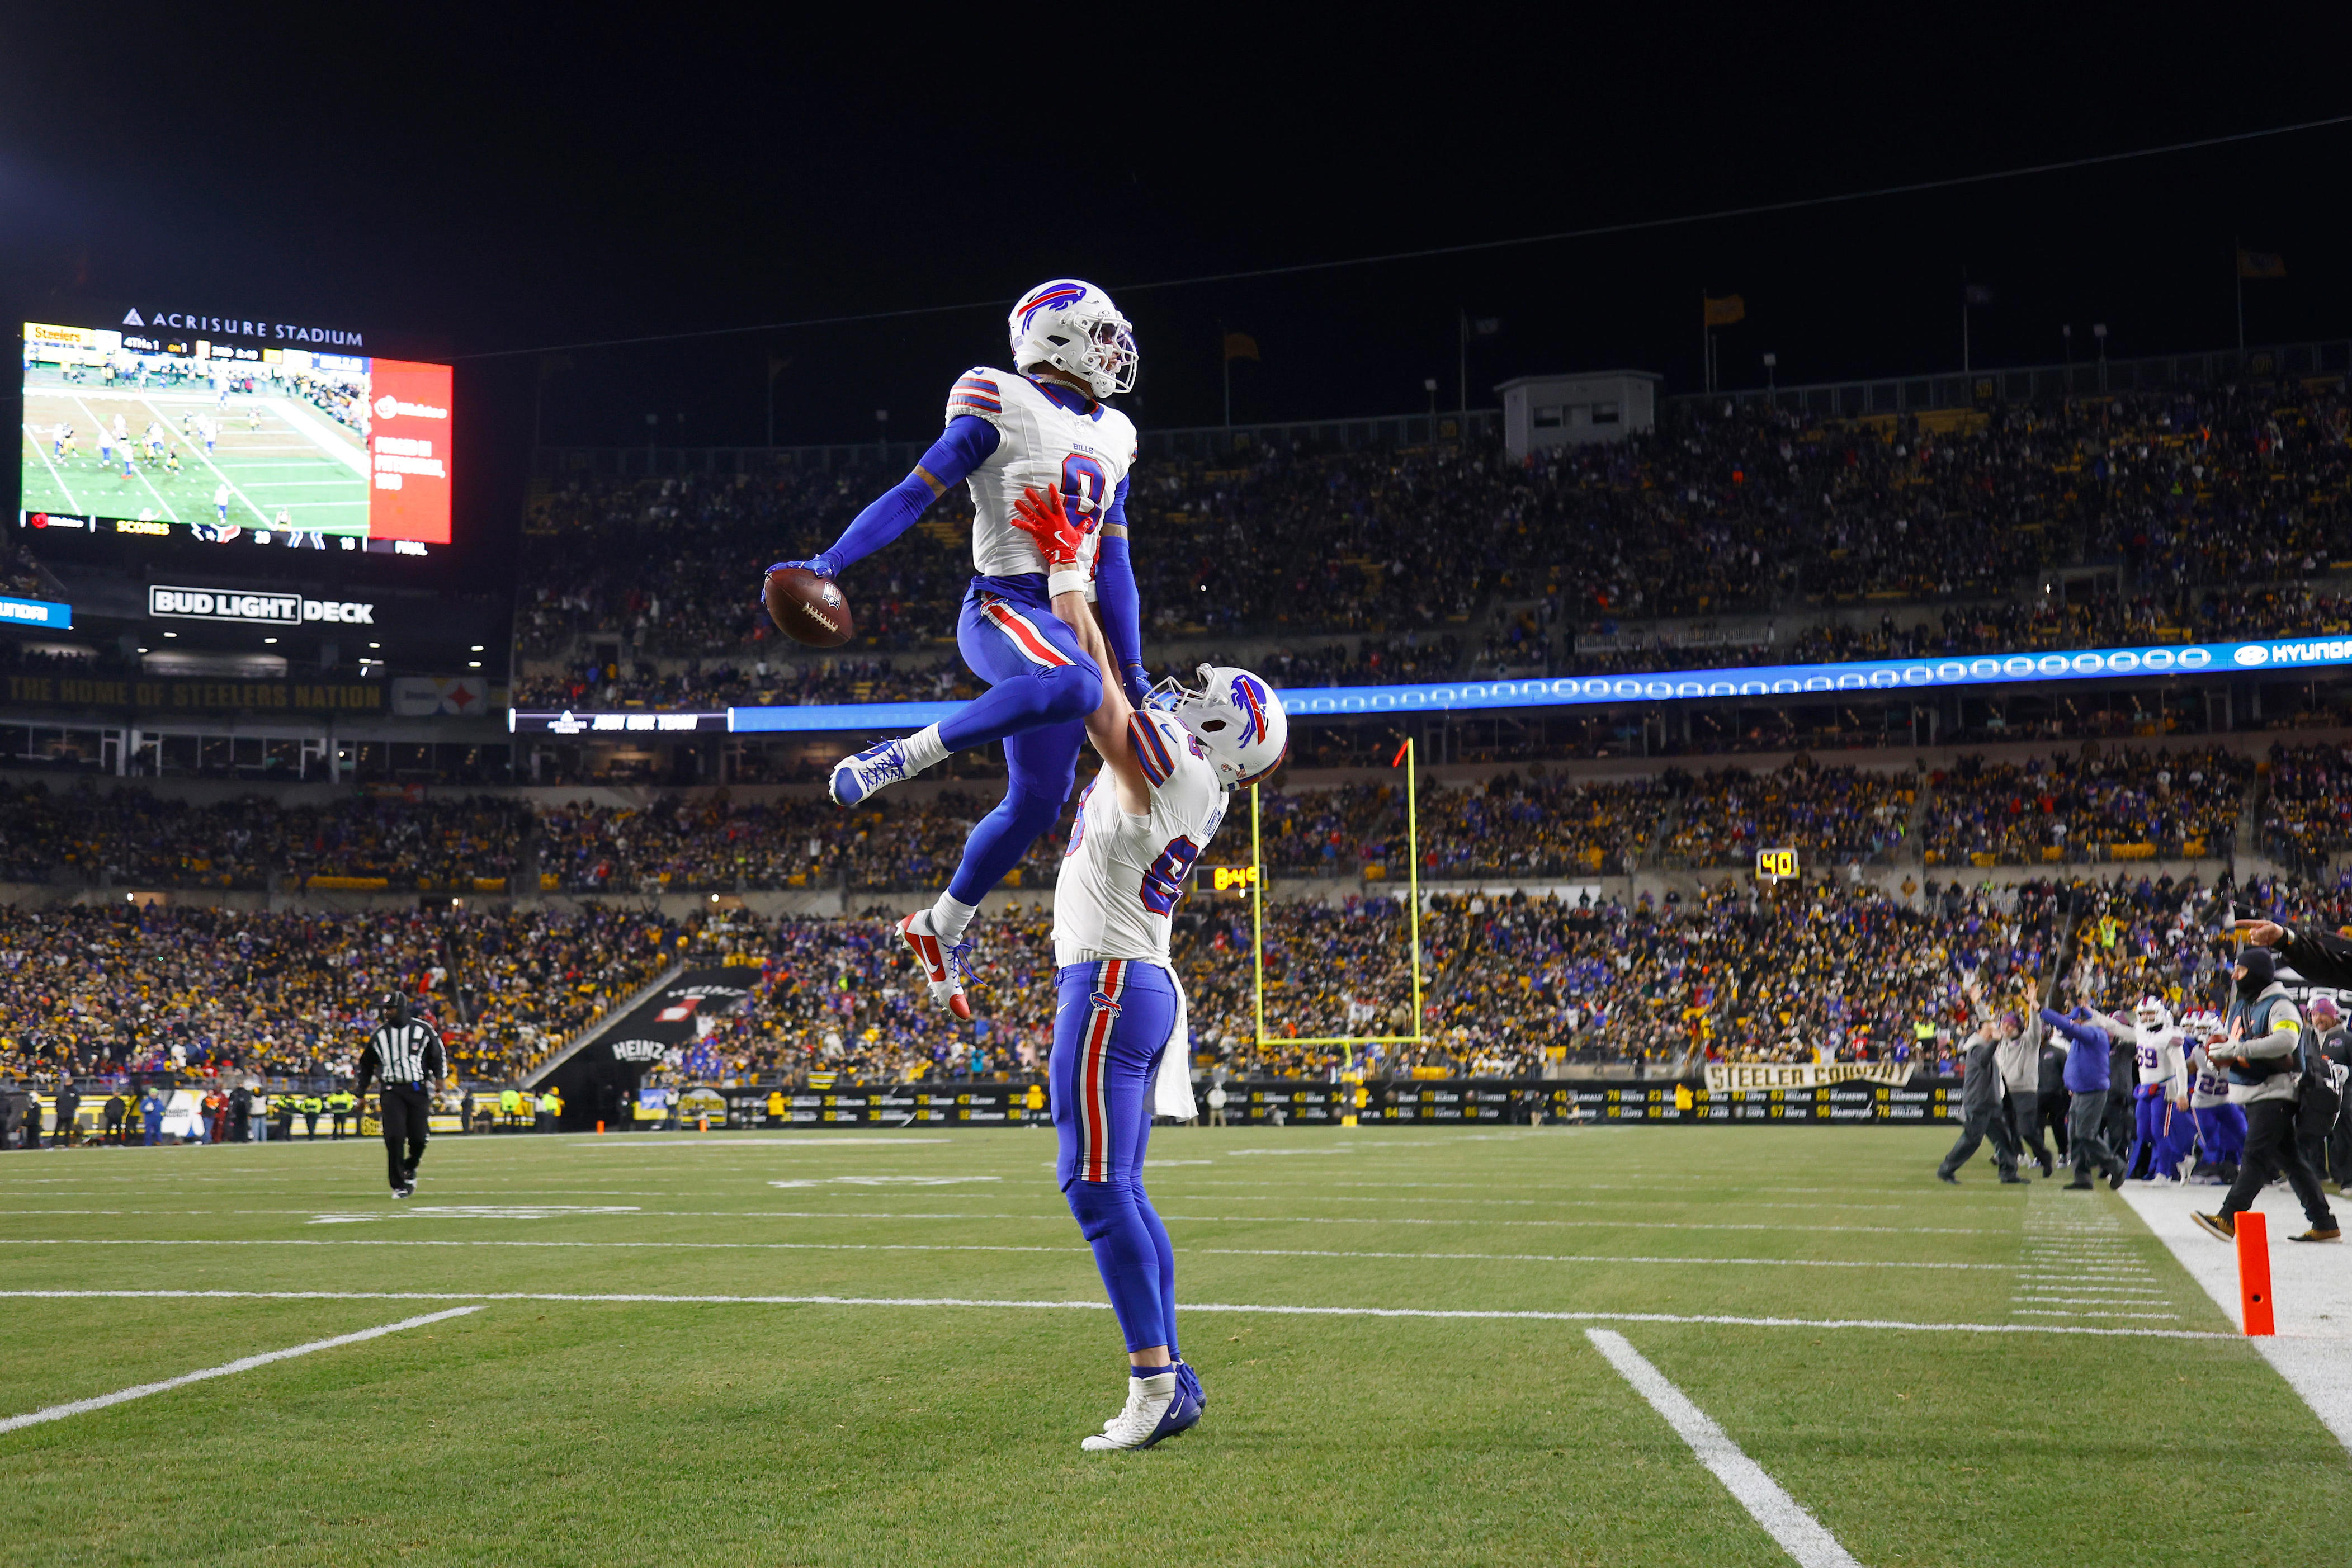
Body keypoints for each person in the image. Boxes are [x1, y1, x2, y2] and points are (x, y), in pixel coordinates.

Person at [779, 281, 1149, 1022]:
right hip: (1003, 608)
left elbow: (1115, 568)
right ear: (1055, 339)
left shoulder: (1118, 435)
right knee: (1076, 685)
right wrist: (829, 561)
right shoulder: (996, 397)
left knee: (1038, 803)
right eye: (1100, 333)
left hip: (1066, 627)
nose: (1117, 349)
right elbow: (915, 494)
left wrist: (1135, 678)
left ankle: (940, 925)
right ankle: (898, 756)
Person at [1035, 500, 1287, 1451]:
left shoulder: (1178, 763)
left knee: (1096, 1188)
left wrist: (1068, 573)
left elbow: (1094, 679)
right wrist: (1119, 534)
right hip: (1127, 982)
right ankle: (1168, 1374)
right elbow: (1129, 665)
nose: (1185, 690)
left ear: (1224, 724)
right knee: (1122, 1187)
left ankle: (1153, 1380)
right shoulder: (1195, 771)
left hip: (1107, 984)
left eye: (1204, 690)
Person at [2192, 947, 2339, 1244]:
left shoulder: (2279, 1004)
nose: (2235, 975)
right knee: (2292, 1161)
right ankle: (2324, 1223)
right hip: (2256, 1091)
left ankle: (2228, 1218)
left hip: (2275, 1092)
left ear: (2257, 973)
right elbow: (2236, 1044)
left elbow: (2286, 1040)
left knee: (2255, 1157)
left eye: (2241, 970)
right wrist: (2222, 1056)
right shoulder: (2245, 1003)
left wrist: (2237, 1050)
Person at [353, 993, 445, 1199]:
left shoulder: (423, 1029)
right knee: (394, 1137)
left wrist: (440, 1079)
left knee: (420, 1138)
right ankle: (399, 1185)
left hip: (417, 1089)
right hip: (391, 1090)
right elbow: (366, 1065)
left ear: (402, 1009)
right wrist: (361, 1093)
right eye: (385, 1009)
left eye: (391, 1008)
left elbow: (438, 1055)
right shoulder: (379, 1035)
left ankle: (410, 1167)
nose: (386, 1013)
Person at [2037, 1005, 2129, 1190]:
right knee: (2075, 1137)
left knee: (2086, 1135)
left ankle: (2117, 1166)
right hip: (2080, 1091)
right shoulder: (2085, 1036)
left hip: (2092, 1092)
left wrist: (2042, 1010)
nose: (2072, 1022)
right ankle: (2082, 1177)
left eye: (2075, 1020)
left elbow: (2067, 1027)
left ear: (2084, 1021)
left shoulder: (2095, 1033)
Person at [1937, 1010, 2024, 1185]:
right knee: (1972, 1139)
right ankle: (1946, 1170)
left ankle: (2009, 1173)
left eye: (1994, 1030)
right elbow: (1984, 1060)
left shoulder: (1988, 1047)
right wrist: (1997, 1041)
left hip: (1990, 1103)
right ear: (1979, 1032)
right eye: (1990, 1030)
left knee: (2004, 1139)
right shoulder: (1975, 1047)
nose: (1994, 1033)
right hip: (1978, 1103)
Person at [2180, 1011, 2245, 1184]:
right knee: (2212, 1142)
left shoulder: (2232, 1048)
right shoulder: (2198, 1052)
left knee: (2244, 1134)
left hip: (2226, 1101)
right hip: (2203, 1103)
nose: (2201, 1033)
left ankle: (2245, 1170)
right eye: (2199, 1029)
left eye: (2205, 1029)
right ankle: (2205, 1163)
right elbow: (2185, 1070)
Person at [52, 1081, 78, 1148]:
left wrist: (72, 1110)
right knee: (57, 1129)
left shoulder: (75, 1092)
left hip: (70, 1114)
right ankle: (52, 1145)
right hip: (61, 1114)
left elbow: (77, 1102)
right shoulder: (62, 1093)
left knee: (68, 1130)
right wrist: (59, 1110)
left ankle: (66, 1145)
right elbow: (57, 1103)